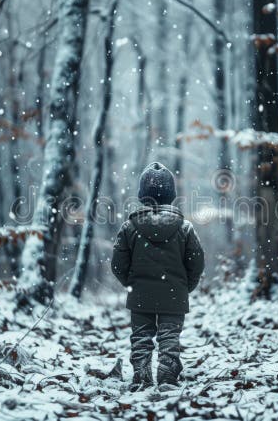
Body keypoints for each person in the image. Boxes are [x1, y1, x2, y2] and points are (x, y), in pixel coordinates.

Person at [111, 162, 205, 391]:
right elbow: (196, 263)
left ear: (142, 195)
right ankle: (167, 375)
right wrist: (184, 287)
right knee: (169, 336)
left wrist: (131, 284)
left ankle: (142, 375)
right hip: (174, 294)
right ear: (171, 195)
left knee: (141, 337)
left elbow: (118, 264)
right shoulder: (185, 227)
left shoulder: (129, 227)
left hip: (140, 295)